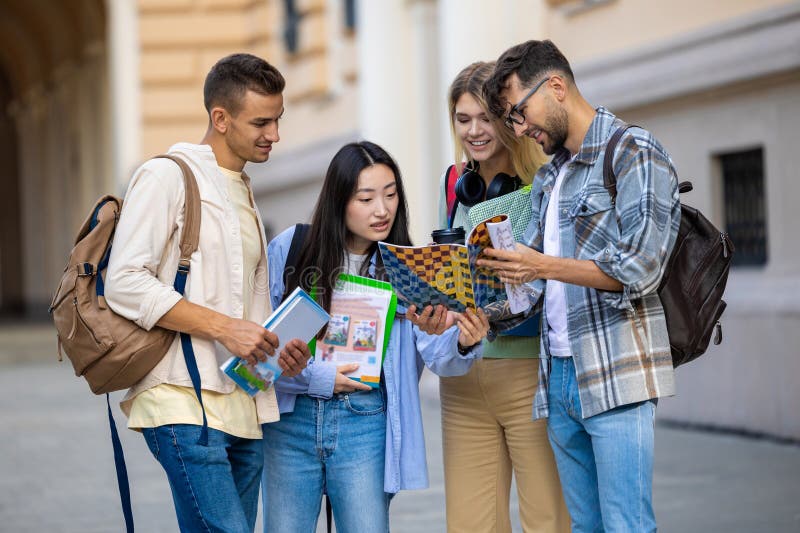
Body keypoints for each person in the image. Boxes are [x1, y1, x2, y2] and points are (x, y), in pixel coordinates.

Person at [478, 40, 681, 532]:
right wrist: (469, 314)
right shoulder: (551, 177)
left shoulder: (633, 150)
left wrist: (542, 265)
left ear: (556, 86)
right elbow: (526, 286)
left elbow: (642, 266)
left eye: (519, 113)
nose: (521, 129)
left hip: (617, 374)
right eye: (511, 121)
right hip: (559, 377)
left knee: (627, 525)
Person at [105, 53, 312, 533]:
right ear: (220, 118)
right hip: (181, 398)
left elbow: (243, 305)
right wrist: (226, 329)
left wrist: (276, 349)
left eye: (277, 120)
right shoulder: (166, 175)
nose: (274, 135)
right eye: (261, 122)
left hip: (244, 401)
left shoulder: (242, 187)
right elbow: (125, 281)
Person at [261, 141, 491, 533]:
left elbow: (438, 355)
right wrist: (317, 377)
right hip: (290, 419)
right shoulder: (292, 248)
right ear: (338, 201)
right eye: (366, 198)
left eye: (390, 194)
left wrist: (463, 340)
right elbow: (263, 346)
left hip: (365, 419)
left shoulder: (406, 266)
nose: (382, 210)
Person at [435, 61, 569, 533]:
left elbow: (555, 282)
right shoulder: (455, 183)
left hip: (529, 370)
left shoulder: (547, 182)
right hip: (465, 372)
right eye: (462, 118)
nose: (474, 130)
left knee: (547, 518)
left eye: (485, 117)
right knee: (470, 523)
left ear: (510, 118)